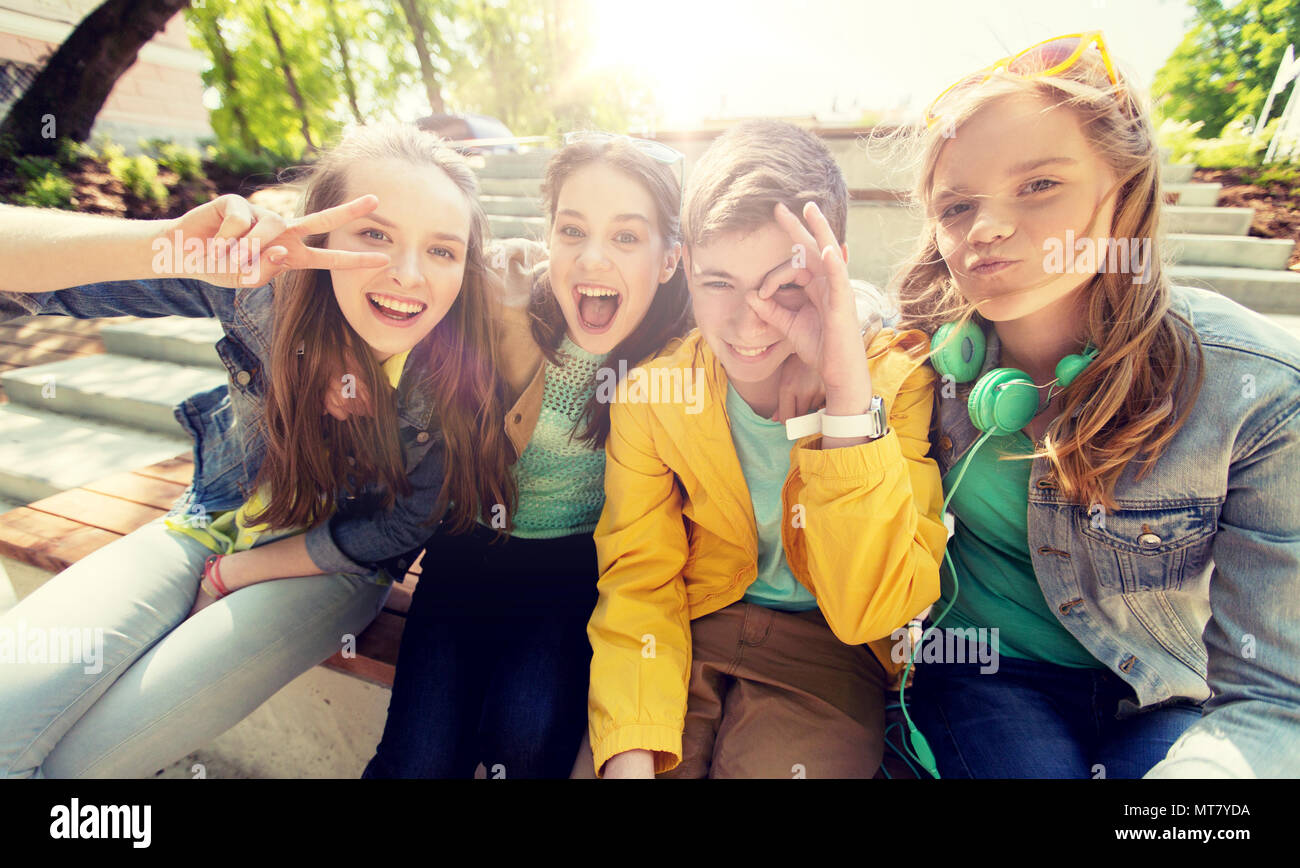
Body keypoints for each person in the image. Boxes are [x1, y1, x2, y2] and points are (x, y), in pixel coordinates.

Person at [0, 121, 515, 778]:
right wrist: (169, 245)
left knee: (73, 773)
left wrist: (235, 576)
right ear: (320, 234)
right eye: (376, 235)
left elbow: (401, 526)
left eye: (442, 250)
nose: (407, 275)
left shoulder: (467, 361)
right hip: (205, 525)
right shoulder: (264, 290)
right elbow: (27, 281)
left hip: (330, 567)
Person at [894, 32, 1300, 778]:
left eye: (1039, 184)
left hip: (1169, 693)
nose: (985, 228)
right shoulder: (923, 363)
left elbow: (1277, 695)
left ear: (1126, 189)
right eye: (956, 206)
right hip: (987, 675)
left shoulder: (1259, 390)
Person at [591, 120, 947, 779]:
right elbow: (640, 580)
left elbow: (873, 608)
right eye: (718, 283)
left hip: (830, 653)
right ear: (688, 271)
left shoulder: (896, 385)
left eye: (784, 285)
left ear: (832, 268)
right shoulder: (651, 396)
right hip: (684, 633)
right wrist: (631, 746)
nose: (751, 322)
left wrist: (845, 399)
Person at [360, 133, 694, 778]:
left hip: (576, 565)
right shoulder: (500, 298)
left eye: (626, 237)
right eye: (572, 230)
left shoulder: (684, 354)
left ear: (670, 258)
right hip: (466, 543)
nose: (592, 258)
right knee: (417, 759)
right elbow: (400, 282)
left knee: (530, 737)